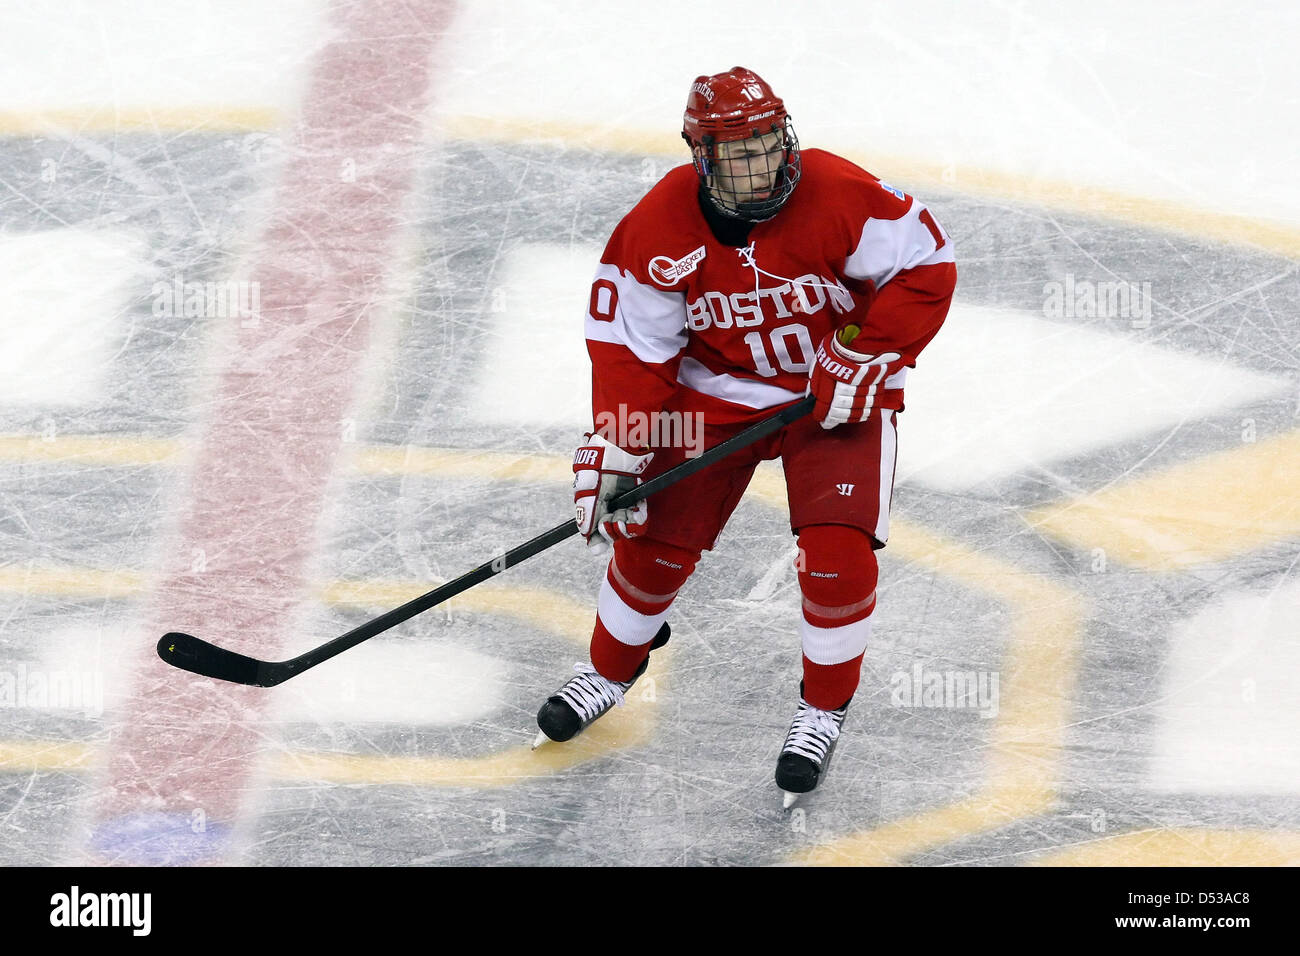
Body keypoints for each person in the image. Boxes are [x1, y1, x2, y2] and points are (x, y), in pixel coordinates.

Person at [532, 66, 956, 805]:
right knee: (651, 545)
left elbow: (927, 266)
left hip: (832, 394)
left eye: (770, 143)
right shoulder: (659, 226)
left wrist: (865, 351)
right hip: (713, 394)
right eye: (742, 151)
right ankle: (610, 669)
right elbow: (635, 350)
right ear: (703, 156)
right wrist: (623, 440)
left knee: (836, 555)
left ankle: (822, 710)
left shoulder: (836, 192)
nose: (764, 165)